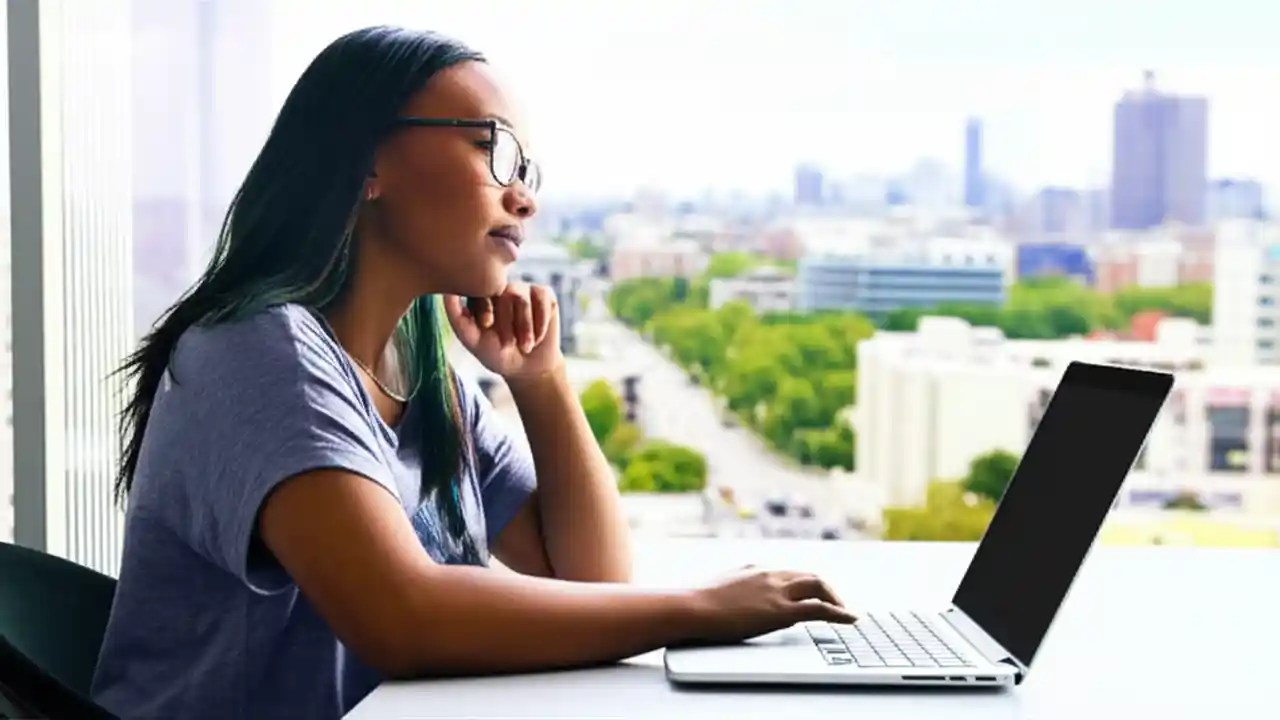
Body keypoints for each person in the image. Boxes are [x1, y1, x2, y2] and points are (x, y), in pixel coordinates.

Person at [91, 25, 855, 720]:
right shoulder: (259, 350)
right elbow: (401, 619)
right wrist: (702, 609)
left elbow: (592, 583)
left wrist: (541, 382)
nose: (524, 198)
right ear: (367, 162)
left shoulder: (427, 382)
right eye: (494, 150)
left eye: (528, 171)